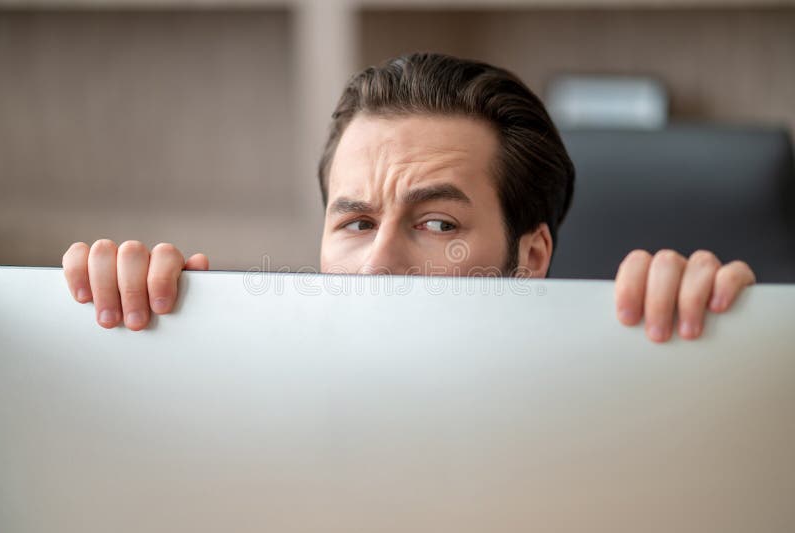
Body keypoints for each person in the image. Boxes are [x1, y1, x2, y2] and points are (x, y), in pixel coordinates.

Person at [61, 53, 755, 343]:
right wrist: (131, 345)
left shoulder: (609, 410)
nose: (377, 264)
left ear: (532, 253)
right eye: (357, 222)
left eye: (436, 222)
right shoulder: (242, 404)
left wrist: (719, 344)